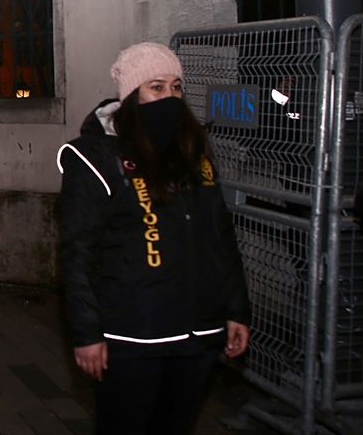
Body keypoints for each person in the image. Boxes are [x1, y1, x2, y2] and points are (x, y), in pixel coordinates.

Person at [57, 42, 251, 435]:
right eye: (156, 87)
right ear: (131, 96)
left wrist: (236, 309)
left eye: (176, 87)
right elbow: (77, 254)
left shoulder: (194, 153)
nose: (170, 97)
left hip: (198, 333)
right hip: (133, 336)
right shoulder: (95, 158)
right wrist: (86, 333)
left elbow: (219, 235)